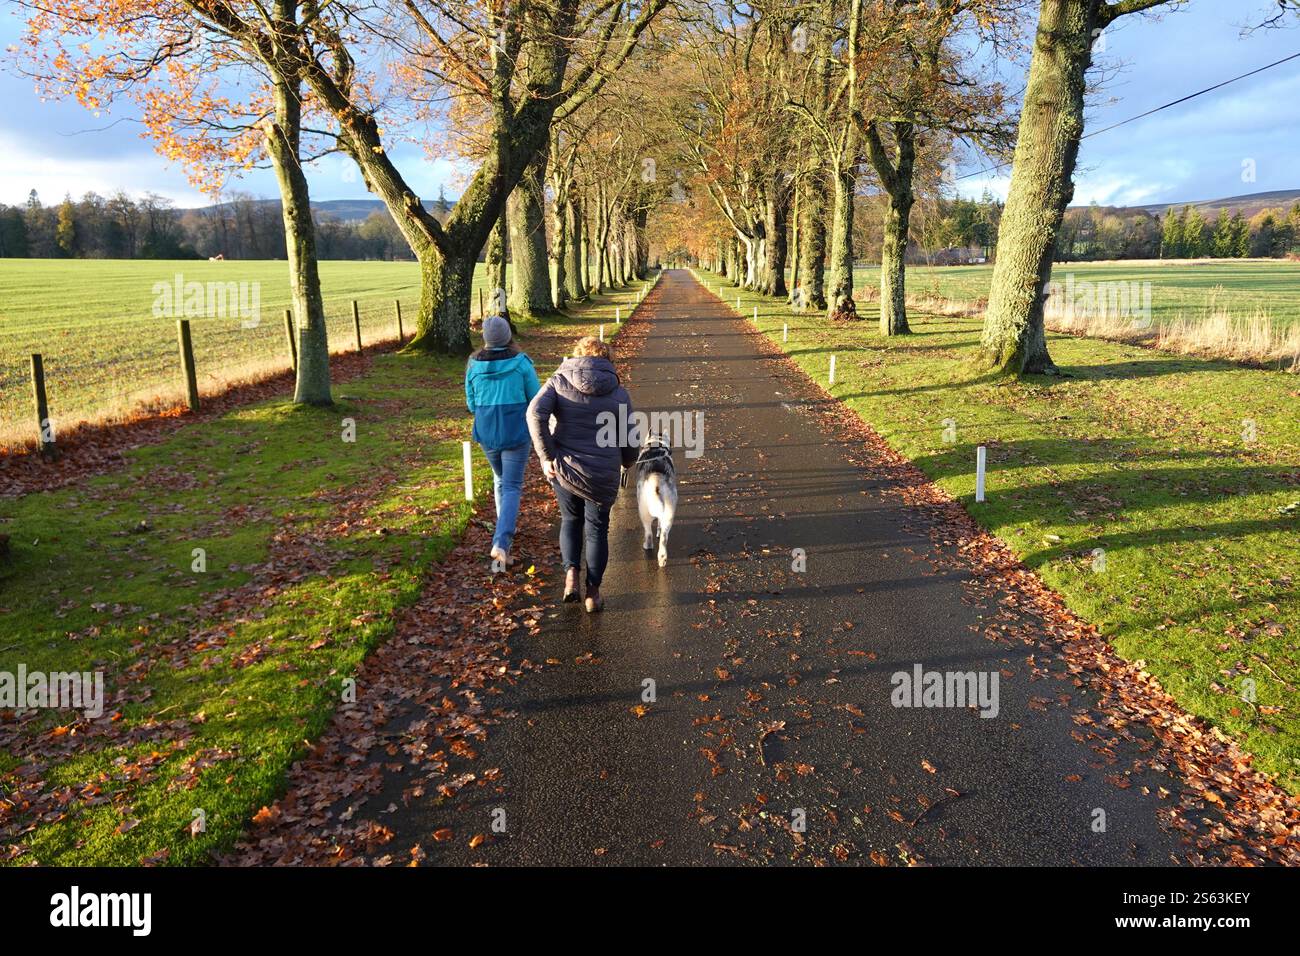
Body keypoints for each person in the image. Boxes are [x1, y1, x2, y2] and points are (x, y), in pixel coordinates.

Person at [527, 336, 637, 612]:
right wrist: (626, 462)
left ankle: (570, 578)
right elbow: (629, 437)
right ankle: (593, 594)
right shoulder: (619, 393)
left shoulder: (558, 382)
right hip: (603, 473)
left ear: (577, 356)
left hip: (565, 468)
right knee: (598, 530)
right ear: (607, 360)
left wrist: (546, 455)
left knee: (570, 520)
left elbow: (534, 414)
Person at [465, 314, 540, 570]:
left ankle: (502, 527)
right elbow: (535, 398)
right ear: (508, 336)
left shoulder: (473, 364)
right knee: (511, 486)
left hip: (486, 433)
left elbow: (471, 403)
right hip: (516, 432)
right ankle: (502, 542)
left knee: (501, 480)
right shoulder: (521, 364)